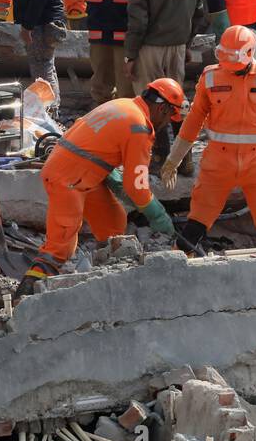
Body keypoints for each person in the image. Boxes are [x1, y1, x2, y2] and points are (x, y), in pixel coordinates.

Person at [17, 78, 186, 297]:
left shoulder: (124, 106)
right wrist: (158, 214)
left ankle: (109, 277)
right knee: (61, 246)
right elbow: (137, 186)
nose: (165, 124)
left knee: (113, 222)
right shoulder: (138, 126)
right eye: (168, 117)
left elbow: (96, 144)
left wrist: (112, 176)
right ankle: (26, 295)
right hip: (68, 177)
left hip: (83, 173)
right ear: (162, 108)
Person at [160, 25, 256, 251]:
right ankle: (181, 256)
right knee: (199, 217)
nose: (228, 67)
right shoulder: (211, 77)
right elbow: (193, 121)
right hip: (219, 160)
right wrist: (173, 159)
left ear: (250, 53)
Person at [124, 0, 204, 173]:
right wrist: (188, 43)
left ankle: (159, 159)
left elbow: (138, 19)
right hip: (179, 46)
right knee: (177, 101)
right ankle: (185, 161)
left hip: (149, 47)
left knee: (151, 105)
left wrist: (131, 54)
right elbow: (198, 11)